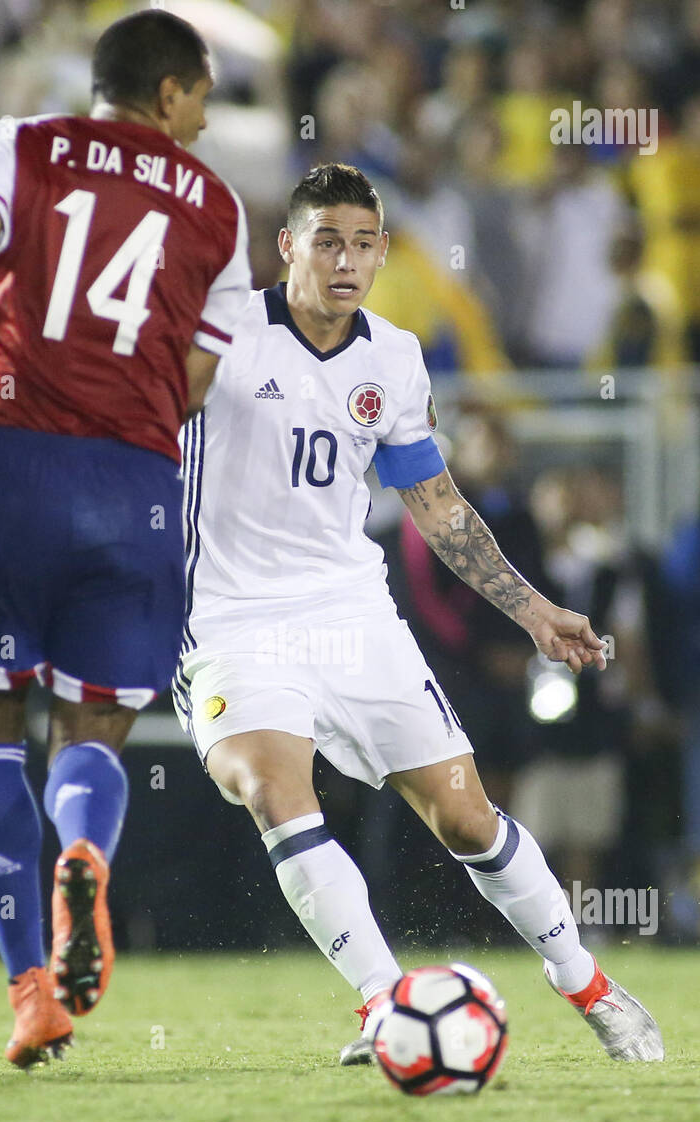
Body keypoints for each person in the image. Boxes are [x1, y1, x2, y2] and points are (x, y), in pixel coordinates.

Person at [173, 162, 664, 1066]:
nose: (346, 259)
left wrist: (531, 609)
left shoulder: (392, 357)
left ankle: (587, 985)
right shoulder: (224, 333)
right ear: (287, 248)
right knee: (275, 790)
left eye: (363, 243)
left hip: (350, 610)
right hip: (232, 618)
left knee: (466, 818)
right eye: (326, 240)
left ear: (383, 253)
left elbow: (435, 505)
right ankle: (381, 1003)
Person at [0, 11, 251, 1068]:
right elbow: (200, 376)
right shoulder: (221, 209)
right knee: (93, 732)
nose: (204, 119)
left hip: (9, 453)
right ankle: (84, 856)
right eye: (201, 95)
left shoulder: (9, 145)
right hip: (136, 479)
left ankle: (31, 992)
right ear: (167, 94)